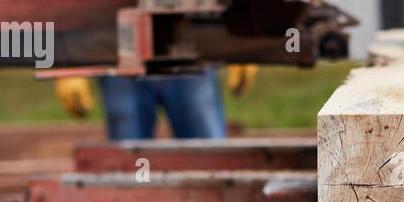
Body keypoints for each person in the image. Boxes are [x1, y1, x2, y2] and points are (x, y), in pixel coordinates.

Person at [54, 65, 255, 140]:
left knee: (210, 164)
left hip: (193, 43)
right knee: (129, 170)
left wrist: (246, 36)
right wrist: (66, 67)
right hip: (117, 48)